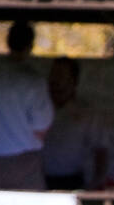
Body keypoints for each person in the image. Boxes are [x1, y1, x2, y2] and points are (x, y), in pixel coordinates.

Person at [0, 21, 55, 191]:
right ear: (30, 46)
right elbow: (41, 128)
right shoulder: (33, 81)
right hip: (25, 161)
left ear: (8, 42)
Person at [43, 57, 109, 189]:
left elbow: (101, 149)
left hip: (72, 181)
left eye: (60, 75)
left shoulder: (87, 112)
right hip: (39, 180)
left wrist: (97, 182)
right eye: (53, 74)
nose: (54, 80)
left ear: (73, 81)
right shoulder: (39, 108)